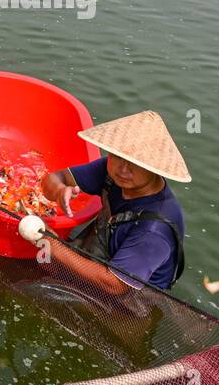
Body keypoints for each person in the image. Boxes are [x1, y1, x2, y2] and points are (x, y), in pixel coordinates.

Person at [37, 110, 189, 294]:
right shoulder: (111, 172)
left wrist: (50, 242)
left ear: (155, 168)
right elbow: (54, 178)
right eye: (118, 156)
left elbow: (115, 285)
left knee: (30, 287)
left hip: (126, 304)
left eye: (136, 163)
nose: (123, 169)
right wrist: (60, 190)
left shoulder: (155, 230)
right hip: (100, 260)